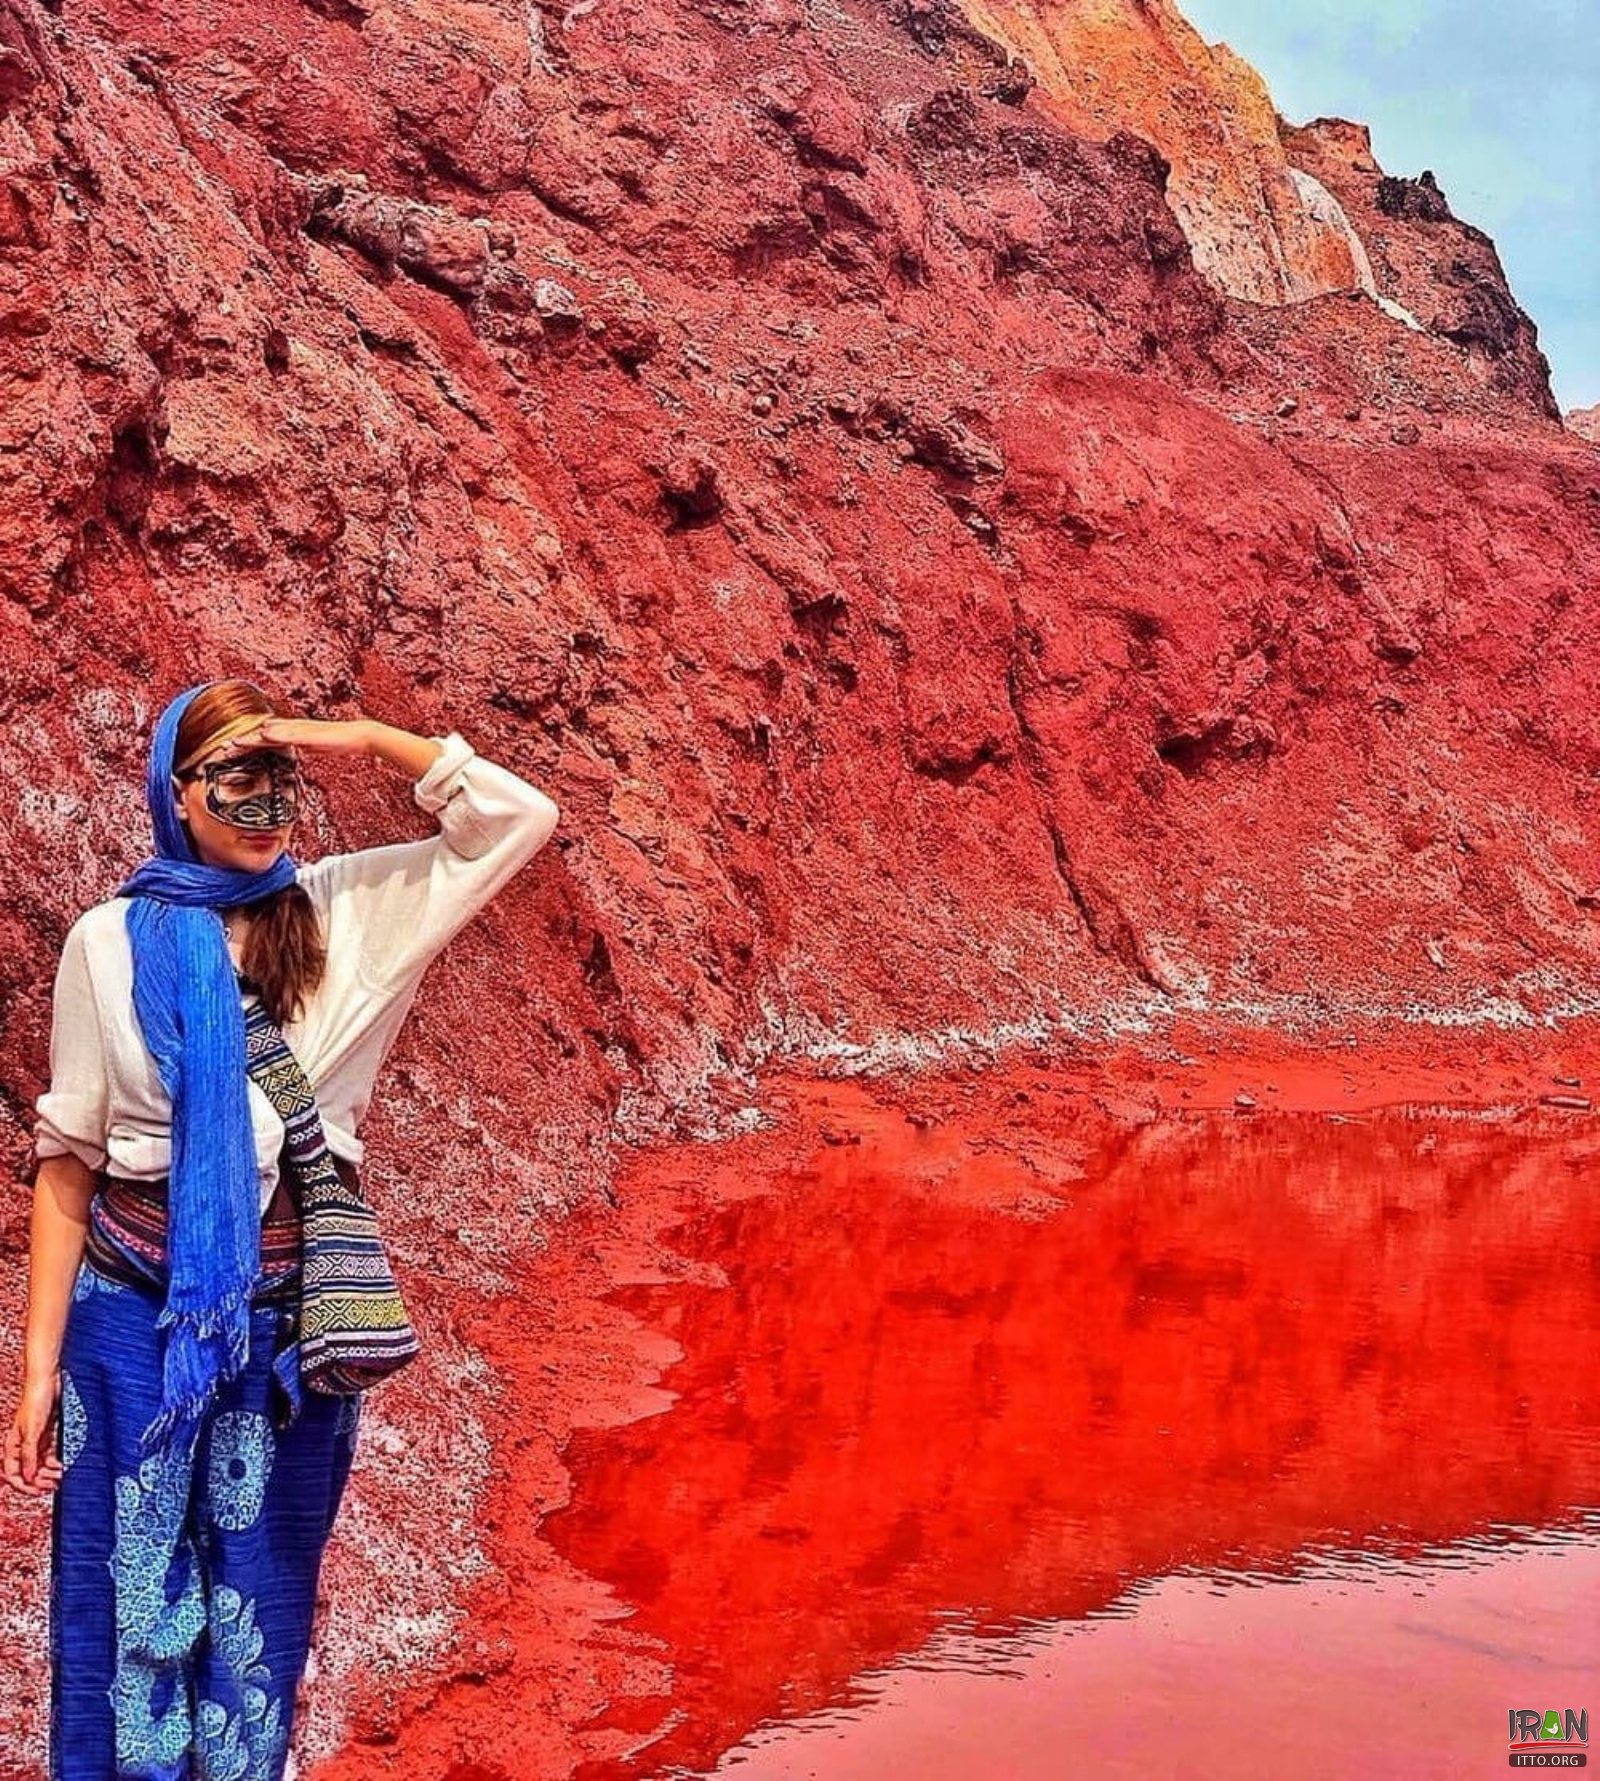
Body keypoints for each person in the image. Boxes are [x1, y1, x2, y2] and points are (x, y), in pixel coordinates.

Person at [4, 678, 561, 1780]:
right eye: (237, 779)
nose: (267, 805)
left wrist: (355, 736)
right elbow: (67, 1160)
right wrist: (33, 1368)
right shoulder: (106, 943)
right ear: (177, 793)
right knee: (123, 1597)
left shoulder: (349, 909)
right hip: (127, 1320)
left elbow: (516, 816)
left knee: (255, 1598)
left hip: (278, 1336)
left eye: (282, 779)